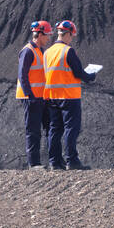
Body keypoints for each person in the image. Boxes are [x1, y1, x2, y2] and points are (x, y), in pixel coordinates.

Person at [42, 19, 97, 170]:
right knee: (71, 128)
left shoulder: (47, 52)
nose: (72, 39)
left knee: (54, 129)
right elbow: (79, 72)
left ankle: (54, 162)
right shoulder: (68, 51)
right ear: (67, 34)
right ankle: (71, 160)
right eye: (72, 36)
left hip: (52, 96)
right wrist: (91, 76)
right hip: (69, 97)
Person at [15, 20, 53, 168]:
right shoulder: (28, 51)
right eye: (47, 35)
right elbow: (22, 75)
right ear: (39, 34)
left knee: (50, 128)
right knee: (33, 130)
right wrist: (29, 95)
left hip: (42, 97)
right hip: (31, 98)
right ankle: (34, 164)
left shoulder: (40, 51)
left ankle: (54, 161)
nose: (49, 38)